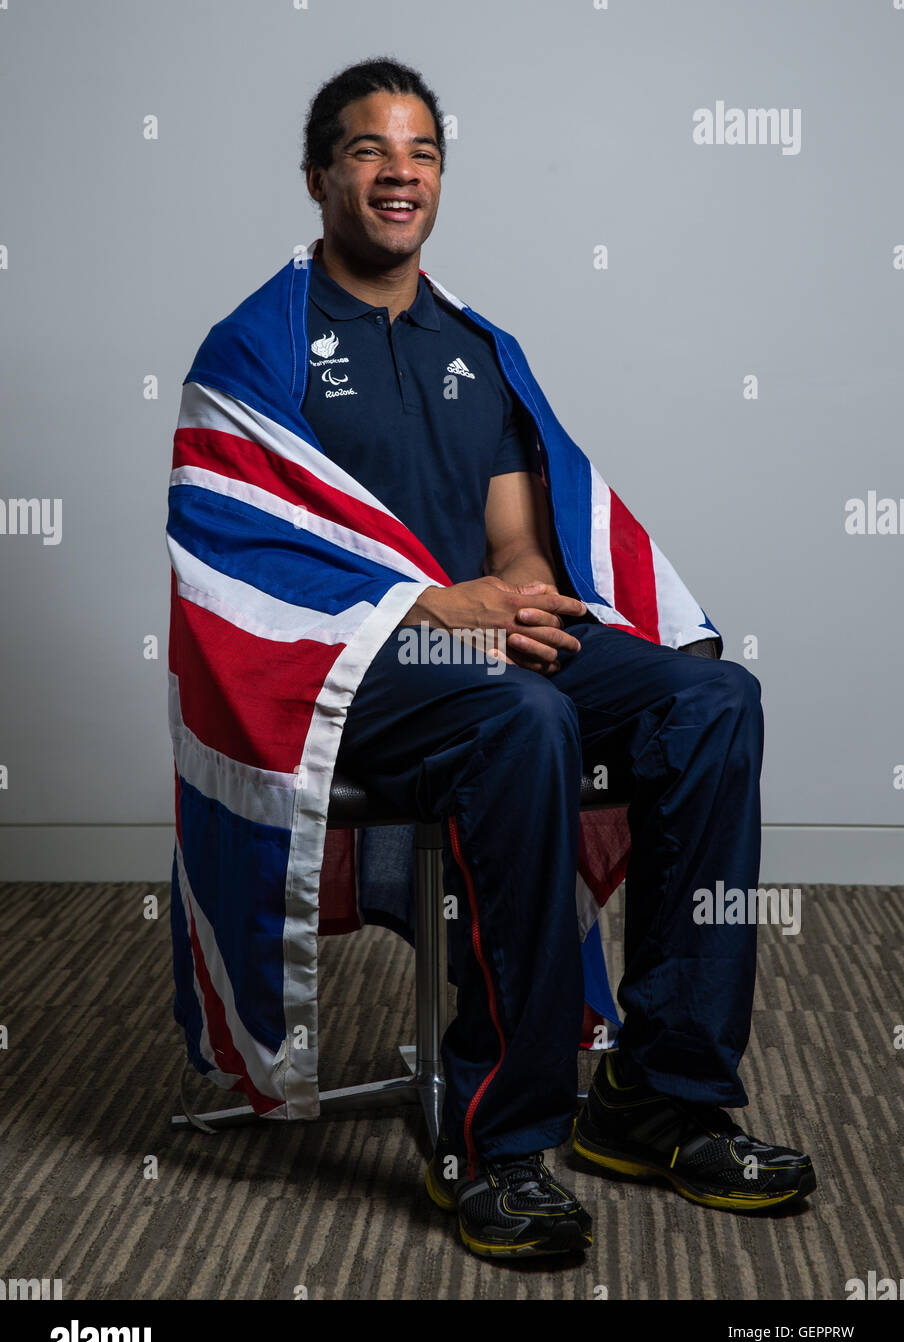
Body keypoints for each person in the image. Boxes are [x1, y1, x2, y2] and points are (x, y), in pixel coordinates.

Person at [294, 56, 816, 1260]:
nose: (398, 172)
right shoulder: (263, 345)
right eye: (369, 150)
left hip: (480, 647)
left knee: (712, 702)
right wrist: (449, 612)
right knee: (521, 720)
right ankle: (497, 1140)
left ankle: (659, 1098)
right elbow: (262, 570)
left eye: (421, 151)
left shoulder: (474, 343)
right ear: (318, 173)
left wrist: (519, 607)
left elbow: (523, 543)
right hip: (357, 674)